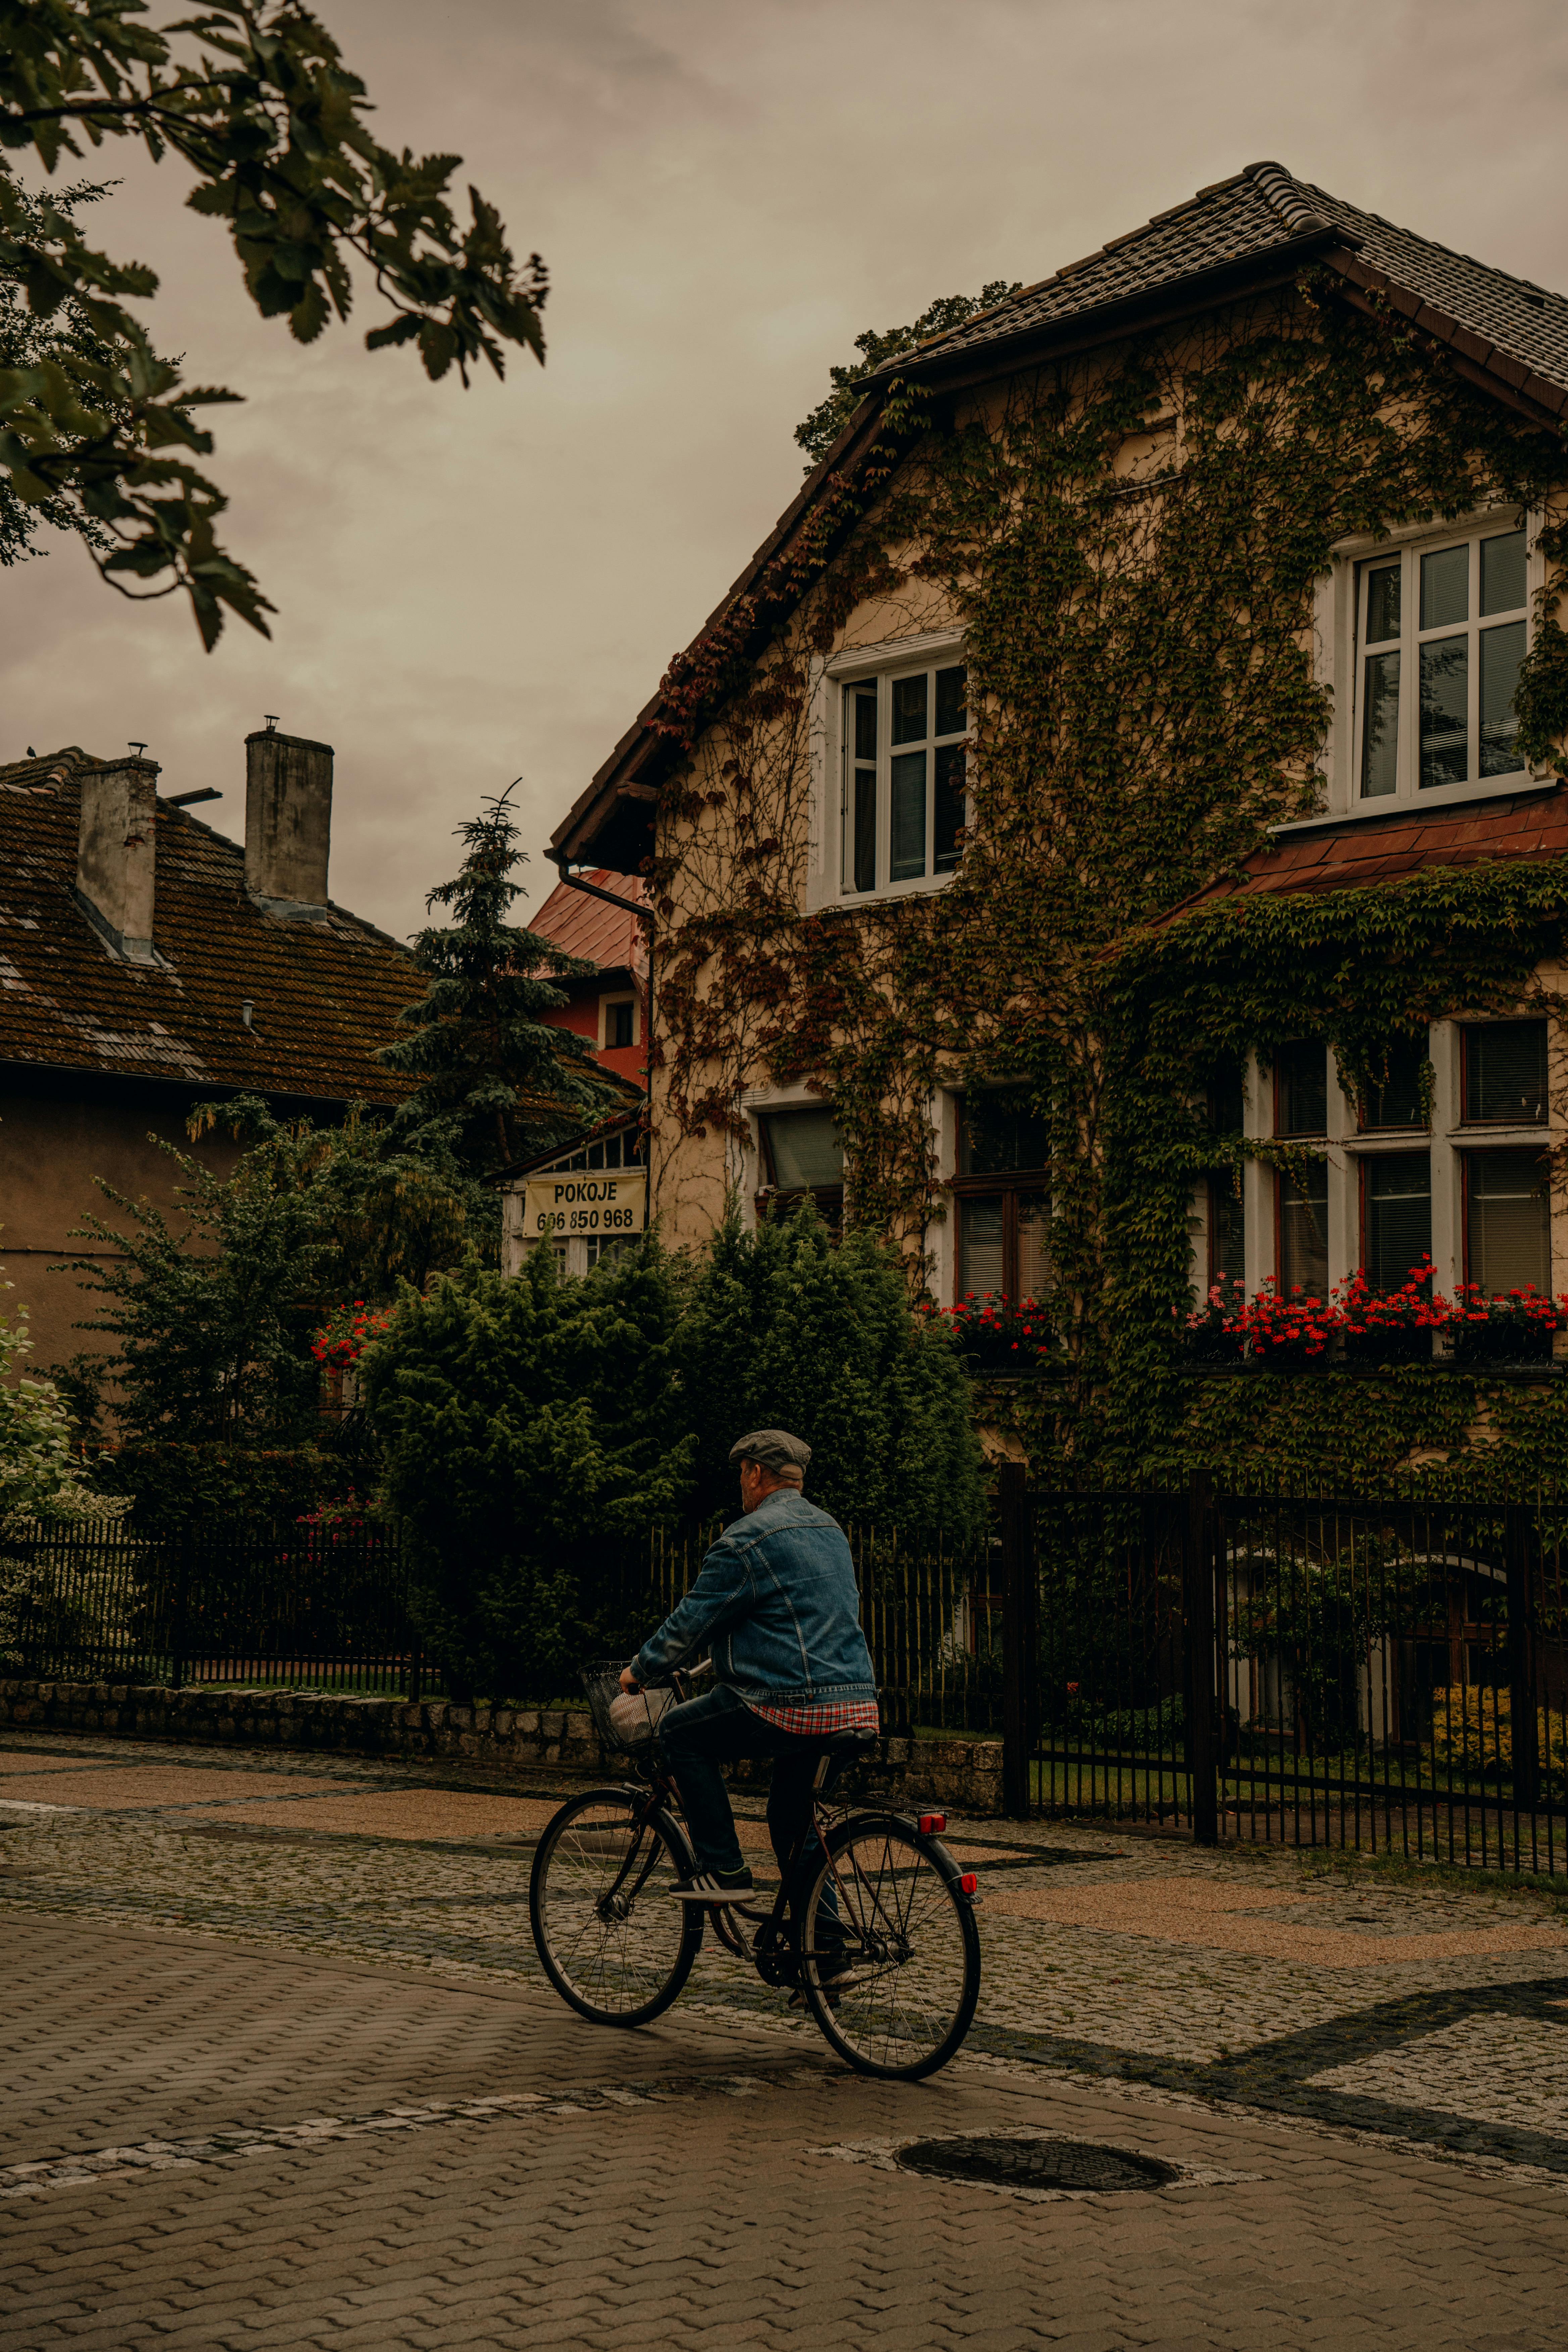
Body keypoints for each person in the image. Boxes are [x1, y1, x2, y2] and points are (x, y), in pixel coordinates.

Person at [620, 1429, 879, 1916]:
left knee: (680, 1733)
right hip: (856, 1705)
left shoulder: (746, 1538)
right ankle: (826, 1954)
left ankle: (724, 1871)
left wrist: (638, 1671)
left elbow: (691, 1622)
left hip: (789, 1705)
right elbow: (797, 1621)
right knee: (791, 1822)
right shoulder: (830, 1530)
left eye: (742, 1473)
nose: (740, 1484)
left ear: (757, 1473)